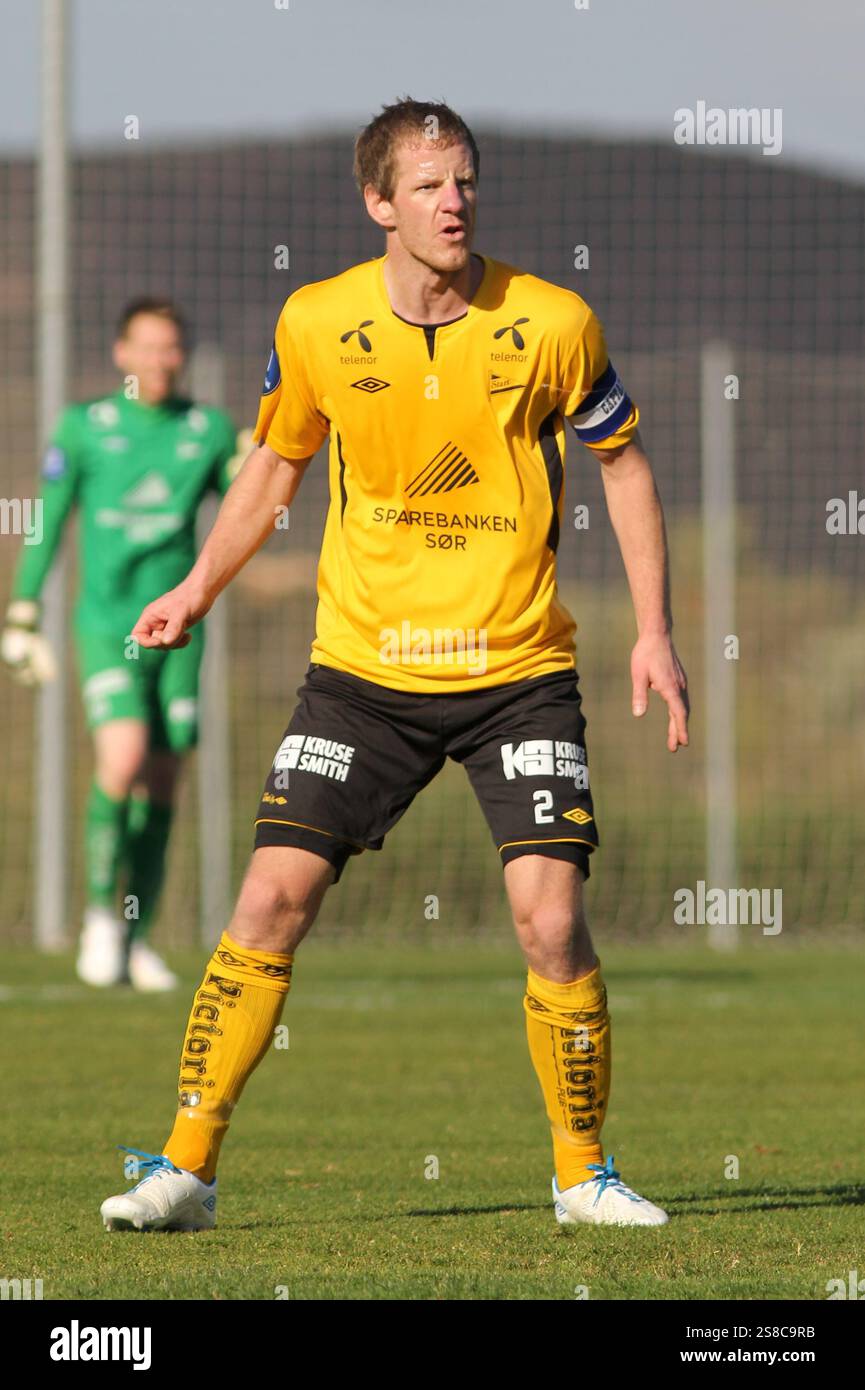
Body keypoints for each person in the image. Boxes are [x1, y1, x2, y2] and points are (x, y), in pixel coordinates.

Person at [99, 98, 689, 1232]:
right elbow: (273, 468)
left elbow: (622, 469)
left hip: (517, 669)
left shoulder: (553, 319)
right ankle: (184, 1171)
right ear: (379, 204)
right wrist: (193, 589)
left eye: (463, 180)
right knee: (269, 898)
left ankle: (582, 1178)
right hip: (363, 673)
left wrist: (655, 630)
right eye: (426, 185)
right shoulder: (316, 323)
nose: (453, 201)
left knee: (551, 922)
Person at [2, 298, 240, 991]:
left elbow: (245, 504)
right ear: (120, 354)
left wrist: (261, 458)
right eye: (147, 347)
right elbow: (45, 523)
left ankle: (138, 937)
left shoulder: (207, 429)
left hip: (180, 634)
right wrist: (21, 613)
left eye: (172, 348)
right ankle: (101, 920)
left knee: (165, 781)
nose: (160, 361)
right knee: (125, 756)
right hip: (107, 628)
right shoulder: (84, 427)